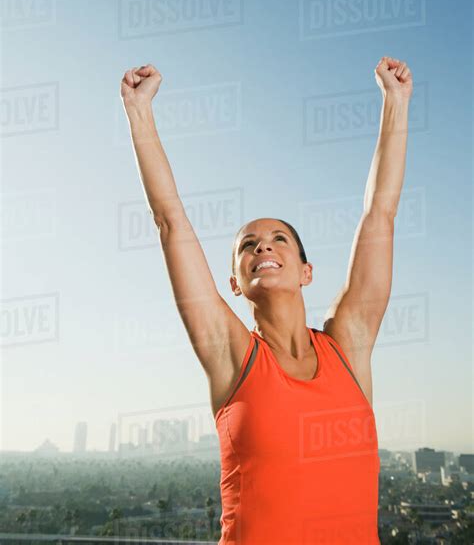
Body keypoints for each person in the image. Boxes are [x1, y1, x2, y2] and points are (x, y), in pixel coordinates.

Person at [120, 57, 413, 544]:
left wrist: (396, 103)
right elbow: (170, 221)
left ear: (306, 271)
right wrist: (138, 111)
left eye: (279, 239)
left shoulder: (349, 345)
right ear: (235, 282)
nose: (263, 247)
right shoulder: (233, 355)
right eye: (247, 245)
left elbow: (380, 214)